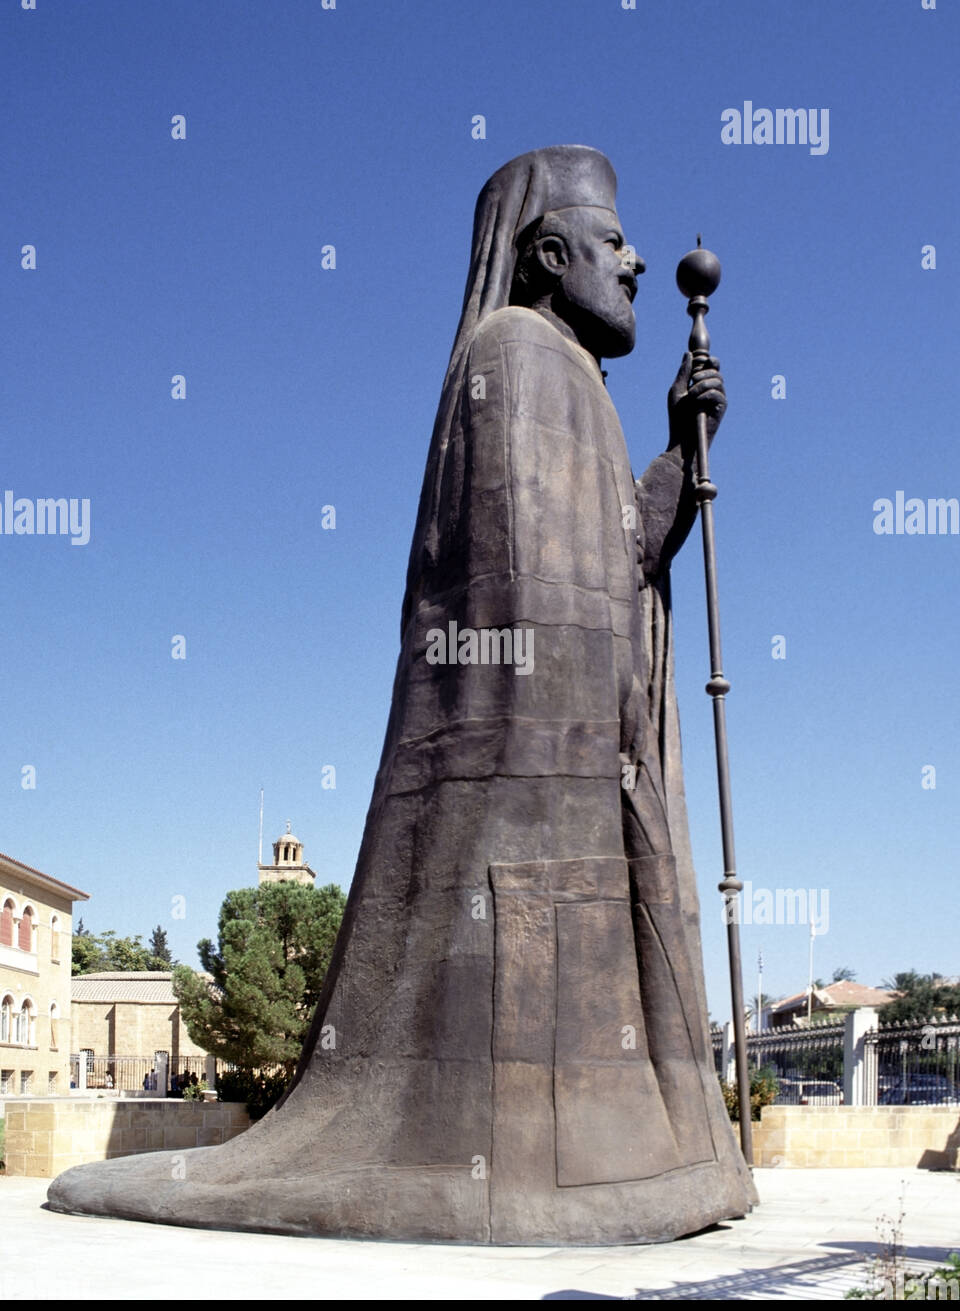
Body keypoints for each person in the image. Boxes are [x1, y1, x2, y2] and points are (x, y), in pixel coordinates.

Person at [48, 147, 755, 1242]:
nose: (638, 260)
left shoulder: (571, 377)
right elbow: (539, 605)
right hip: (545, 794)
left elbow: (613, 569)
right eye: (614, 244)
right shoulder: (515, 357)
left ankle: (656, 1160)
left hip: (586, 782)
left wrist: (674, 450)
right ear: (548, 256)